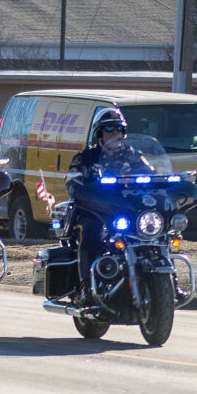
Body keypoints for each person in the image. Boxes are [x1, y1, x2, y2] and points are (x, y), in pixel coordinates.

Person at [60, 109, 132, 292]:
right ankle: (87, 288)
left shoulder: (133, 157)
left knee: (155, 237)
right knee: (90, 231)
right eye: (109, 129)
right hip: (95, 212)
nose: (115, 133)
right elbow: (73, 182)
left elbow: (152, 174)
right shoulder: (85, 158)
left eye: (119, 128)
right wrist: (84, 191)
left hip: (127, 211)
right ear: (99, 133)